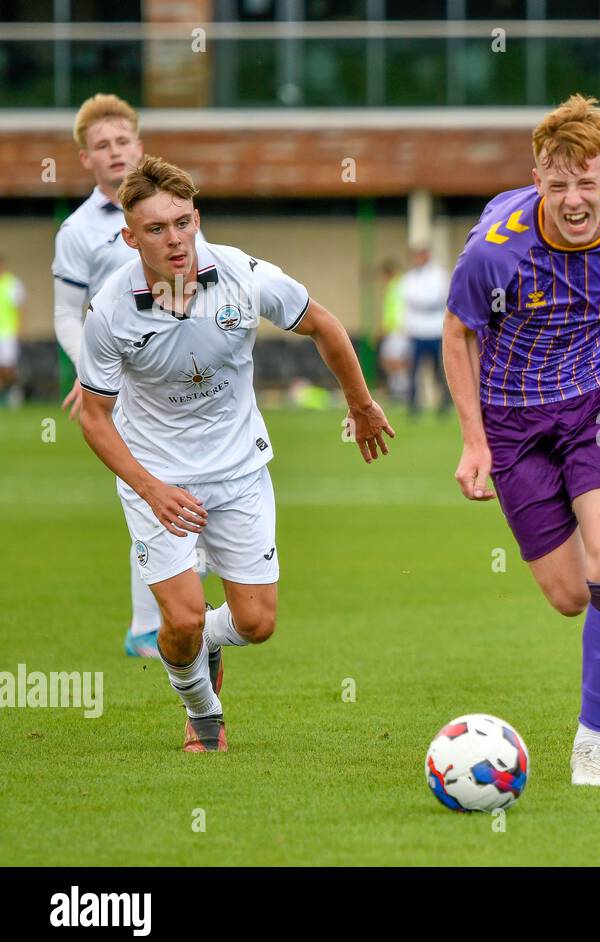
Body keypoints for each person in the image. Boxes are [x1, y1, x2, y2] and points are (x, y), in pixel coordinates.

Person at [76, 156, 394, 752]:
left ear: (196, 217)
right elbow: (95, 419)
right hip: (159, 482)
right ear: (129, 236)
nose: (174, 239)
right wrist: (150, 489)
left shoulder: (245, 275)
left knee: (257, 623)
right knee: (182, 620)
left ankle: (211, 643)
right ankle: (203, 715)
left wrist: (361, 403)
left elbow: (323, 324)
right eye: (155, 229)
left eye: (183, 222)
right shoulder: (110, 311)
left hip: (240, 471)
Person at [443, 94, 600, 785]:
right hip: (511, 418)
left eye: (586, 182)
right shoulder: (495, 252)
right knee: (571, 595)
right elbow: (458, 334)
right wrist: (473, 441)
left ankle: (591, 744)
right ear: (537, 178)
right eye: (557, 184)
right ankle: (593, 557)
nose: (573, 200)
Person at [51, 93, 205, 658]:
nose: (114, 152)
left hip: (184, 375)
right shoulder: (77, 232)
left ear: (139, 146)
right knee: (150, 494)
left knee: (198, 487)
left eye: (122, 141)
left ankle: (170, 614)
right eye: (101, 146)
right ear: (86, 159)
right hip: (125, 381)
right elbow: (68, 313)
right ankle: (149, 626)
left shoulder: (171, 209)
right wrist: (86, 368)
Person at [400, 245, 450, 415]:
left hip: (435, 329)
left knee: (438, 370)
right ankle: (413, 404)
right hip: (417, 330)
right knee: (414, 370)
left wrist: (422, 302)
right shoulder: (409, 278)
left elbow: (437, 297)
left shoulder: (438, 275)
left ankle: (444, 403)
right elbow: (408, 300)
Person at [376, 257, 410, 400]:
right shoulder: (394, 286)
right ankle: (400, 386)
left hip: (398, 329)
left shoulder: (400, 286)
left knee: (393, 359)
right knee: (391, 359)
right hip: (394, 329)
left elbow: (399, 310)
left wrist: (389, 328)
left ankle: (401, 388)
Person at [0, 254, 24, 403]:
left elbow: (20, 308)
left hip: (8, 332)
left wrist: (19, 329)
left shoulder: (12, 284)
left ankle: (15, 389)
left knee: (8, 366)